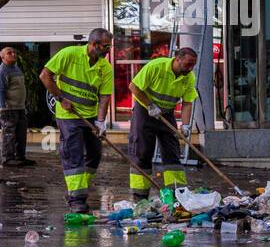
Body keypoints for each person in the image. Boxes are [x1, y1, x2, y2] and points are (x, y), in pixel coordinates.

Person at [40, 29, 113, 212]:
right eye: (105, 46)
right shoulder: (69, 54)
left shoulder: (105, 68)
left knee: (95, 153)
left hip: (90, 116)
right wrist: (60, 98)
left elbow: (104, 97)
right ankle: (76, 199)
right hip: (69, 116)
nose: (108, 50)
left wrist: (101, 121)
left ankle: (80, 188)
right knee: (74, 154)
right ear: (94, 44)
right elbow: (45, 76)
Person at [127, 49, 198, 200]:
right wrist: (150, 105)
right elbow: (134, 87)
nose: (190, 68)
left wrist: (185, 125)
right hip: (145, 112)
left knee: (172, 152)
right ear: (177, 59)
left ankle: (177, 193)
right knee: (143, 152)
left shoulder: (188, 77)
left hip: (166, 113)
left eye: (193, 65)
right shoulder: (156, 67)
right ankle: (140, 196)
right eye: (188, 64)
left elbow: (187, 102)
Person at [1, 46, 33, 167]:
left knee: (21, 133)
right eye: (9, 53)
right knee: (8, 134)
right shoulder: (2, 70)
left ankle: (20, 157)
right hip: (8, 109)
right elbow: (1, 90)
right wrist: (2, 107)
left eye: (14, 52)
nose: (13, 54)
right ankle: (7, 159)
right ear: (2, 57)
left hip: (20, 108)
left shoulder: (16, 68)